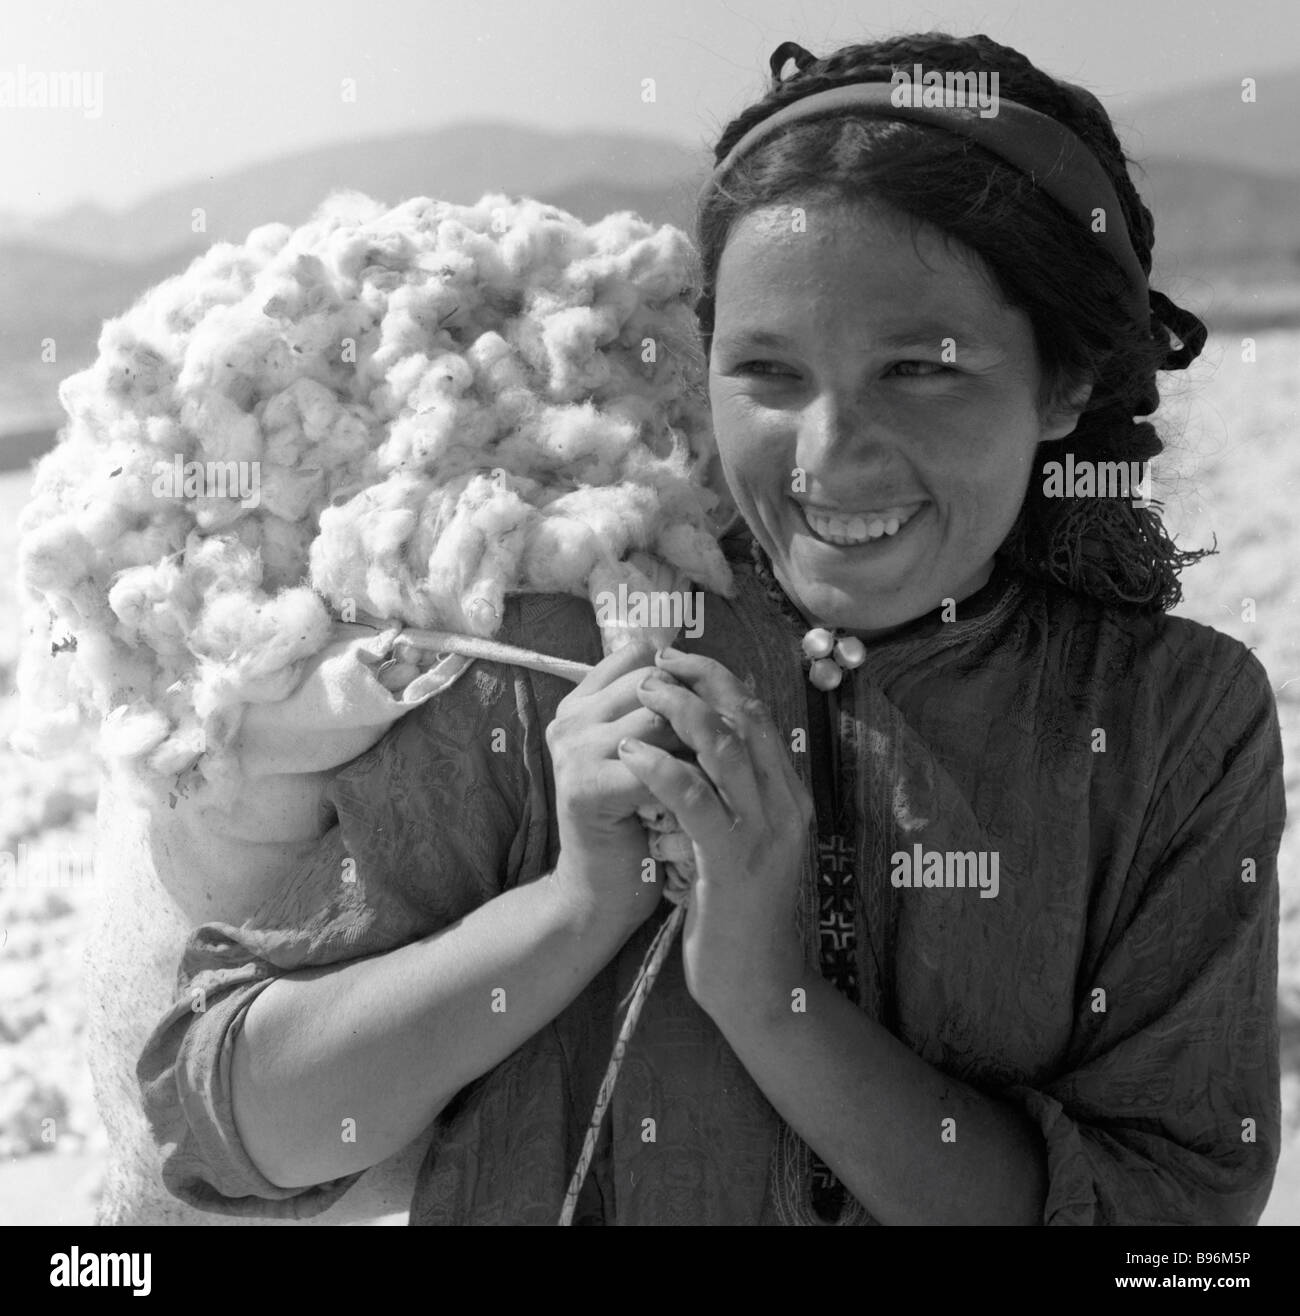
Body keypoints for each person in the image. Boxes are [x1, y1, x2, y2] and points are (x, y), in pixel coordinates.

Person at [137, 32, 1284, 1226]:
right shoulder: (569, 647)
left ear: (1059, 384)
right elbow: (228, 1129)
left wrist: (765, 992)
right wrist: (571, 906)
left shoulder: (1166, 720)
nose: (830, 455)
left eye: (919, 369)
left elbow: (1168, 1219)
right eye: (769, 373)